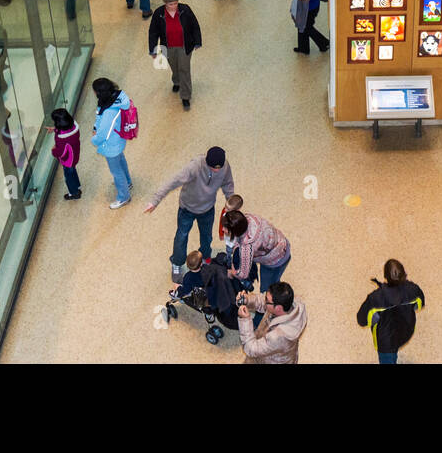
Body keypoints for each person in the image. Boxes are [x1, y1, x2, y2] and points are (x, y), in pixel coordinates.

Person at [145, 146, 235, 281]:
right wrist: (155, 200)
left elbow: (228, 184)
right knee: (181, 237)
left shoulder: (224, 167)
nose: (217, 170)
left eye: (219, 168)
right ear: (207, 163)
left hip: (207, 209)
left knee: (206, 236)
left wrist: (231, 203)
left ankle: (205, 257)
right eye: (214, 168)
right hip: (187, 209)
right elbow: (173, 181)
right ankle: (177, 263)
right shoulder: (195, 167)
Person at [356, 259, 425, 363]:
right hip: (405, 331)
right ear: (403, 274)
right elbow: (419, 305)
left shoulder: (375, 299)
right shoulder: (414, 290)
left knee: (388, 359)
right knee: (395, 346)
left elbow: (362, 320)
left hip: (385, 343)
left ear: (385, 276)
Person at [147, 0, 202, 109]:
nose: (174, 6)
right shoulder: (159, 13)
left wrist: (198, 41)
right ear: (165, 4)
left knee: (184, 69)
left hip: (184, 46)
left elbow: (195, 25)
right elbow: (153, 32)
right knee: (174, 66)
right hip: (168, 46)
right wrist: (153, 49)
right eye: (171, 4)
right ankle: (176, 81)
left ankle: (185, 96)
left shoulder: (185, 10)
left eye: (176, 3)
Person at [237, 281, 307, 364]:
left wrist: (245, 321)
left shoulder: (278, 337)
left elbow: (251, 349)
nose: (264, 300)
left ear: (278, 308)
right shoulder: (291, 303)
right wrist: (247, 300)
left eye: (267, 300)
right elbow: (263, 301)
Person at [90, 77, 133, 209]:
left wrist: (94, 139)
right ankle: (128, 182)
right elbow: (100, 118)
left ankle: (124, 196)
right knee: (121, 160)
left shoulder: (109, 111)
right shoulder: (115, 99)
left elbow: (103, 134)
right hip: (118, 139)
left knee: (116, 171)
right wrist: (95, 127)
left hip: (111, 145)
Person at [223, 209, 291, 293]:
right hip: (281, 242)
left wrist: (231, 272)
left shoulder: (246, 247)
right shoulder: (249, 218)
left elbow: (242, 274)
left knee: (267, 291)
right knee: (275, 281)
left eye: (225, 228)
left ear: (235, 231)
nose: (222, 229)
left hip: (275, 261)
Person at [50, 107, 82, 200]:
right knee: (73, 170)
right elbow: (64, 129)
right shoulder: (73, 126)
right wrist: (55, 129)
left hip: (68, 159)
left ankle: (74, 193)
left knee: (68, 176)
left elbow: (59, 152)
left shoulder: (61, 138)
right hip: (75, 154)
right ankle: (77, 186)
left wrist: (53, 150)